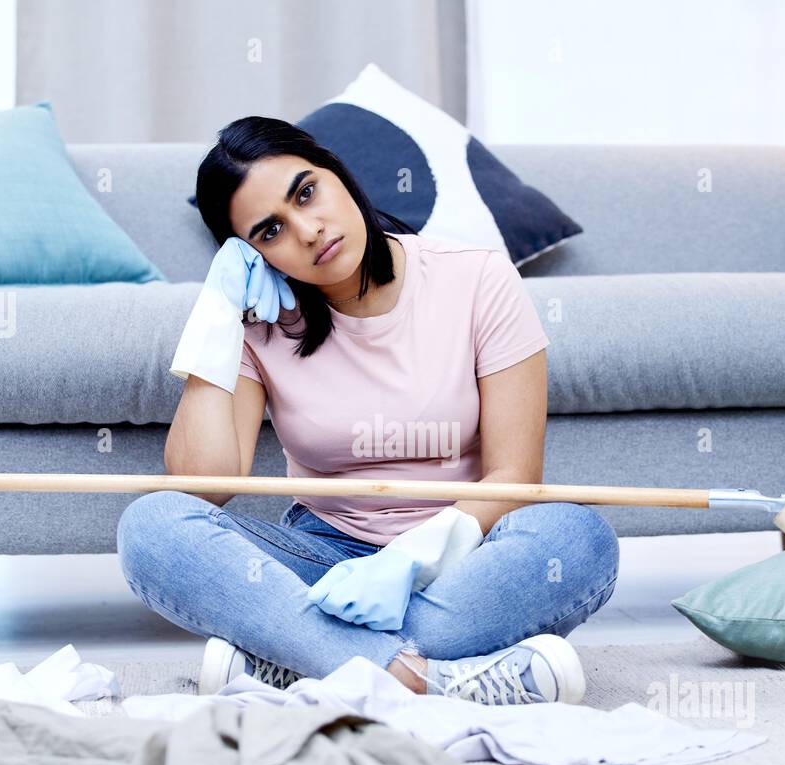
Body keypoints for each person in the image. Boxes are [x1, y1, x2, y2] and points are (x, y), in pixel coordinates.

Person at [116, 116, 619, 705]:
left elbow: (514, 477)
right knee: (152, 526)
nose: (307, 230)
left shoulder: (478, 276)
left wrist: (412, 558)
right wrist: (216, 317)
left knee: (577, 537)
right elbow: (202, 485)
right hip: (326, 564)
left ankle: (307, 660)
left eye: (306, 192)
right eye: (270, 230)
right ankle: (431, 679)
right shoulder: (259, 320)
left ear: (337, 173)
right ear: (250, 254)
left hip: (468, 557)